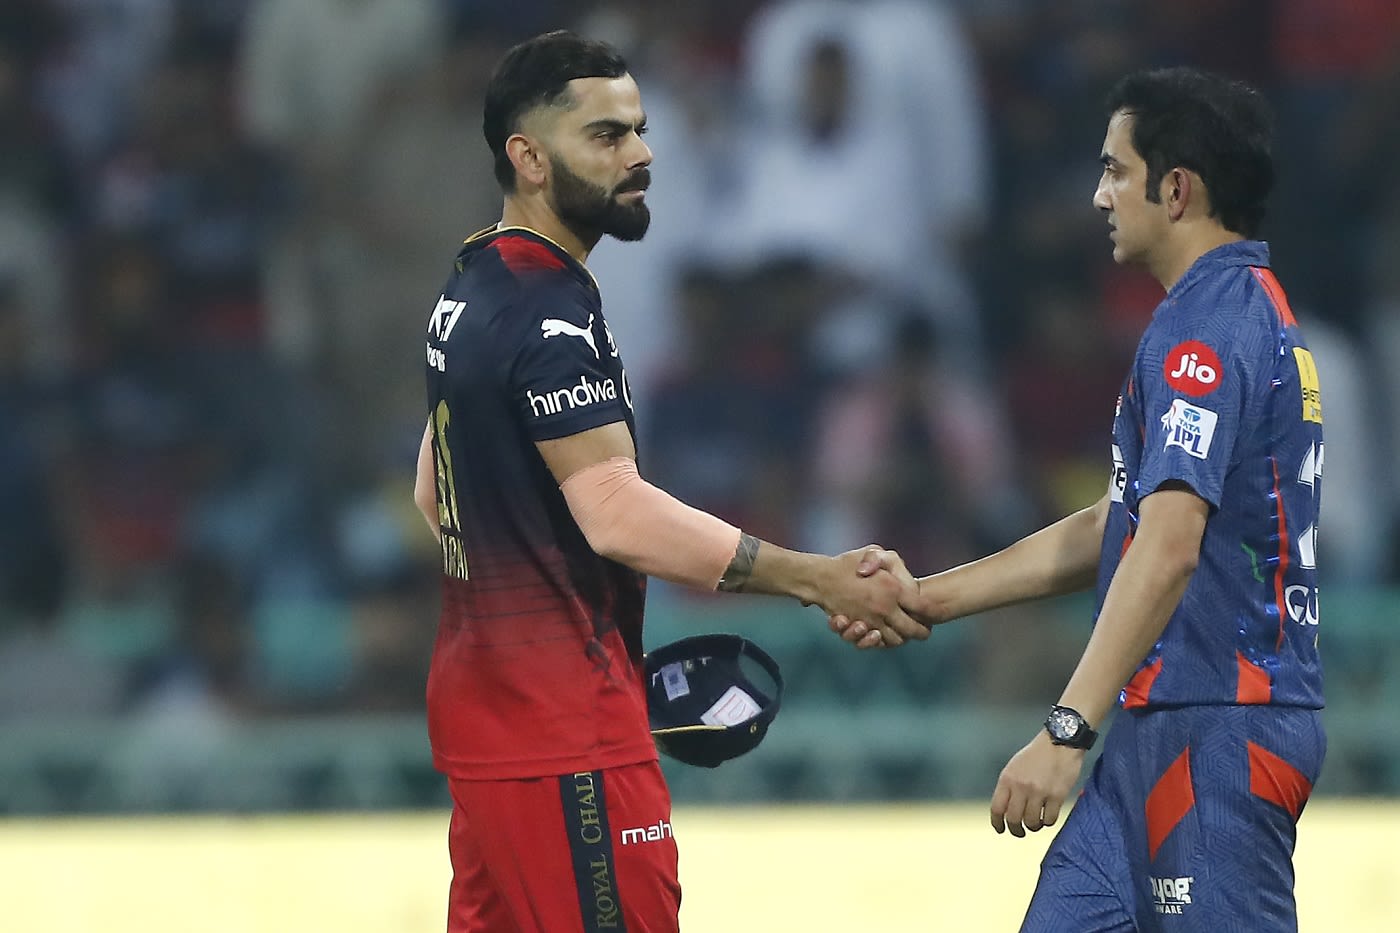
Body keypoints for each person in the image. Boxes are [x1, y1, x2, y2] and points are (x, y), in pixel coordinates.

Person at [411, 31, 923, 933]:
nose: (642, 154)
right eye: (607, 136)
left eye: (640, 130)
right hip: (565, 734)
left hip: (489, 723)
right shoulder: (549, 312)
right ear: (529, 158)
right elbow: (613, 512)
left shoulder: (472, 284)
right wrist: (815, 577)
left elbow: (434, 493)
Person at [835, 67, 1325, 931]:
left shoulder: (1208, 328)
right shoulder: (1229, 312)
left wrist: (1066, 729)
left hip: (1218, 727)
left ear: (1176, 190)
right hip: (1157, 725)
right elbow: (1120, 524)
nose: (1099, 195)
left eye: (1115, 170)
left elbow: (1167, 546)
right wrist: (928, 598)